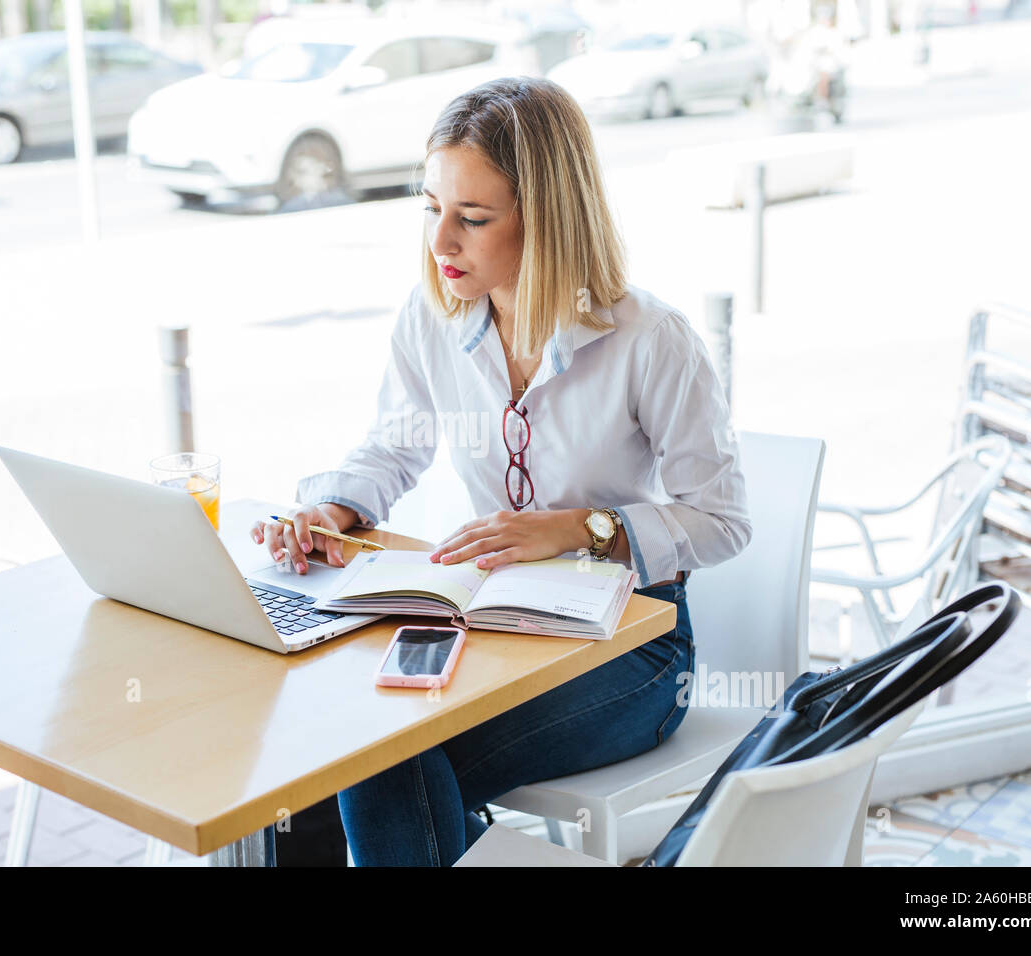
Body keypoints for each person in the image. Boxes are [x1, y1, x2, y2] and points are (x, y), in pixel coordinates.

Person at [249, 77, 751, 866]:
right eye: (430, 207)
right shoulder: (434, 315)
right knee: (320, 758)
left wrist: (579, 530)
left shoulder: (651, 340)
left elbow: (722, 522)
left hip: (633, 651)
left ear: (547, 218)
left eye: (472, 218)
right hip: (494, 631)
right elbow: (393, 444)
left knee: (378, 766)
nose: (439, 242)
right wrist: (336, 510)